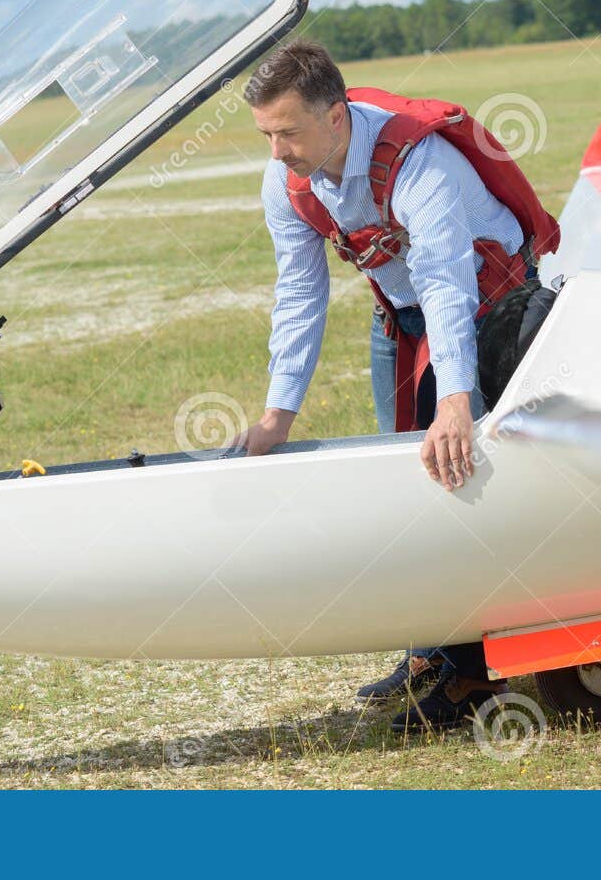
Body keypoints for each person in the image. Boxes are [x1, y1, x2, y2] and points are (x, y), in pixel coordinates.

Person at [234, 39, 547, 731]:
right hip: (403, 315)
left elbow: (445, 282)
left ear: (337, 117)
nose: (276, 150)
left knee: (456, 477)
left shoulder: (419, 161)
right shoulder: (286, 181)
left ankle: (474, 682)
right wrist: (277, 415)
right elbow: (298, 290)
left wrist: (457, 401)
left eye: (287, 131)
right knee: (407, 477)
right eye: (266, 134)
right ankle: (431, 649)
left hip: (490, 304)